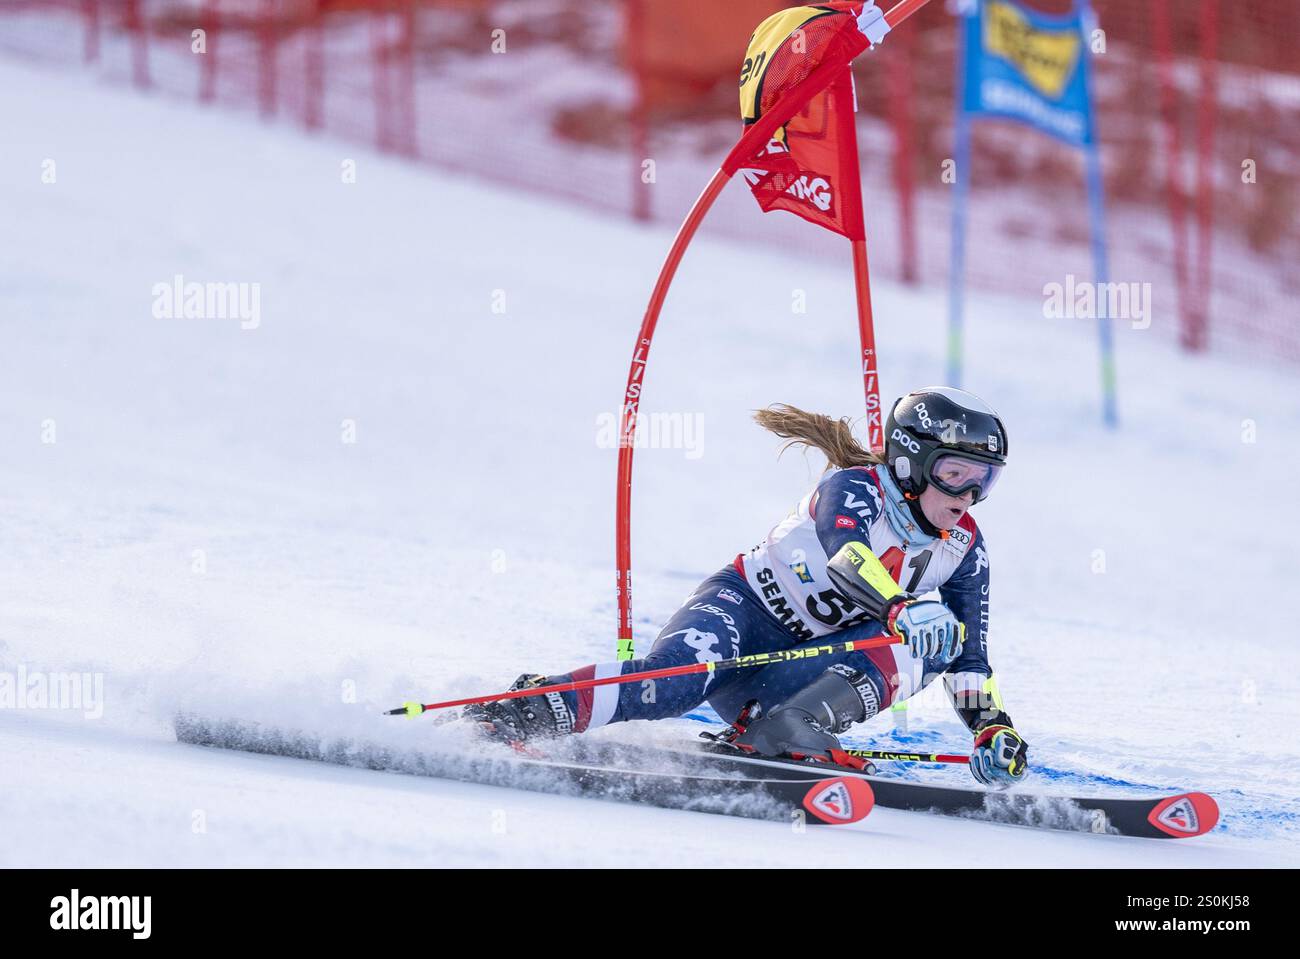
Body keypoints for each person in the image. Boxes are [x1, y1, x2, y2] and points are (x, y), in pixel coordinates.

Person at [467, 387, 1029, 787]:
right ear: (911, 463)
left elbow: (971, 660)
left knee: (945, 638)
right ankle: (527, 709)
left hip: (798, 675)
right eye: (955, 473)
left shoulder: (965, 549)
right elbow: (846, 556)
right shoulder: (856, 488)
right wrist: (901, 607)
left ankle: (789, 729)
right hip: (741, 615)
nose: (968, 495)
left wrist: (991, 727)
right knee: (672, 687)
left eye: (985, 480)